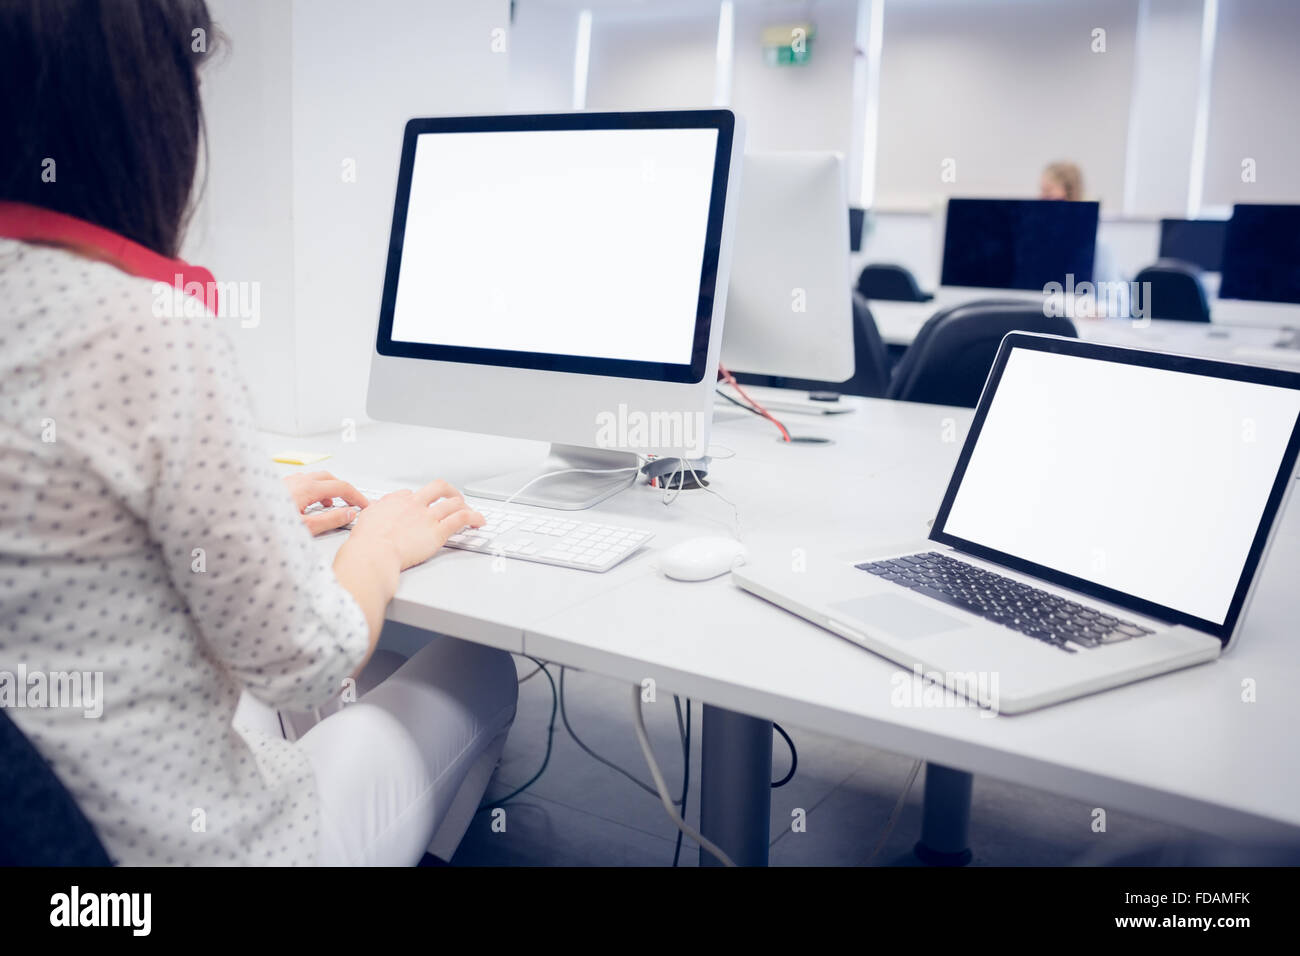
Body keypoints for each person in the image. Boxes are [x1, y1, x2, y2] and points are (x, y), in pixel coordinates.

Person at [0, 0, 517, 865]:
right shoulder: (148, 329)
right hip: (185, 851)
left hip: (52, 836)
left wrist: (222, 519)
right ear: (143, 113)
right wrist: (381, 545)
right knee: (477, 669)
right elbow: (308, 665)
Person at [1039, 160, 1126, 315]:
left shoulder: (1096, 245)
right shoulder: (1040, 242)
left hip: (1082, 326)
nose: (1042, 199)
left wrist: (1095, 310)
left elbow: (1120, 306)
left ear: (1070, 195)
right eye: (1042, 192)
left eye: (1049, 192)